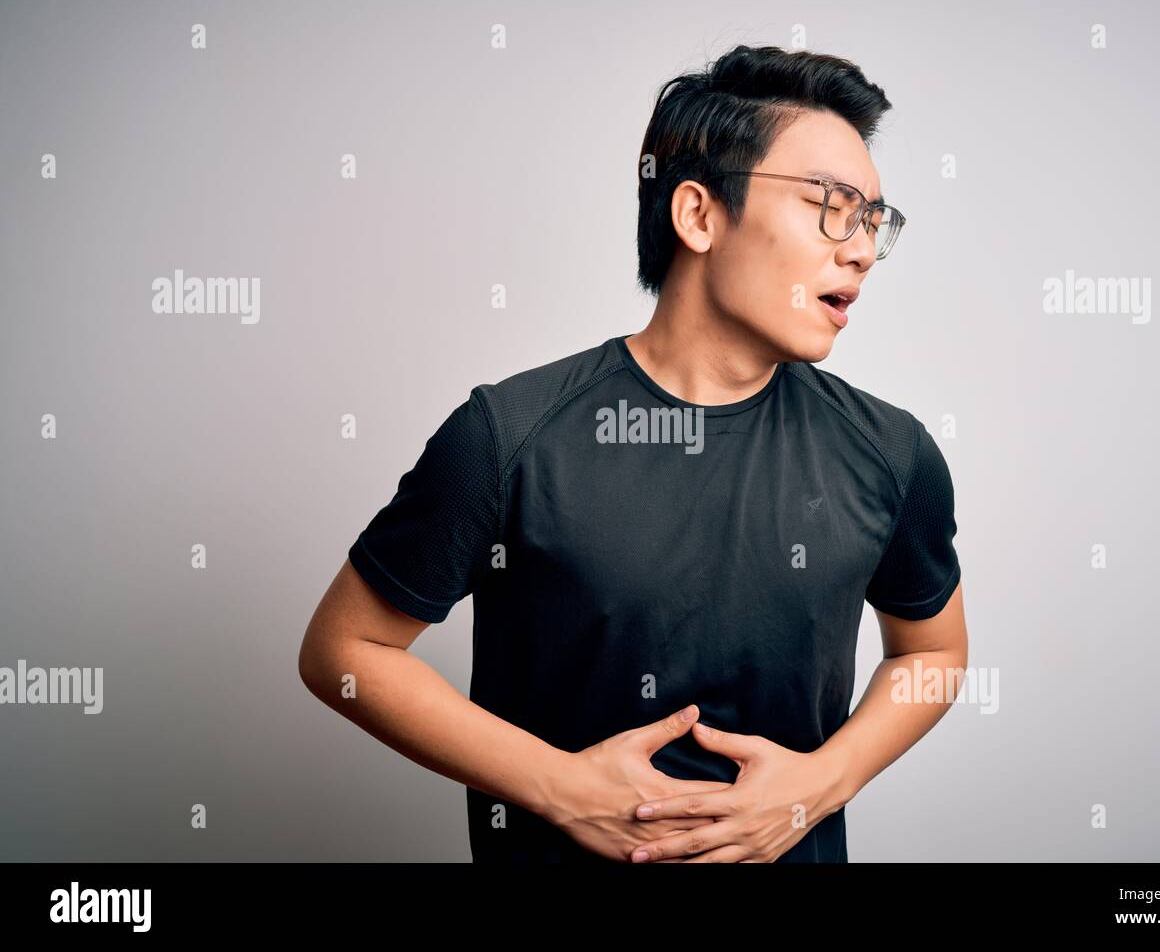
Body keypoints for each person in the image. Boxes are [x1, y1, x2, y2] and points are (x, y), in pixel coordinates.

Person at [299, 44, 968, 863]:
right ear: (698, 215)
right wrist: (560, 788)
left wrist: (819, 784)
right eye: (830, 204)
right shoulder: (508, 435)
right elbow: (344, 651)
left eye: (872, 219)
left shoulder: (893, 454)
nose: (861, 248)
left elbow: (933, 652)